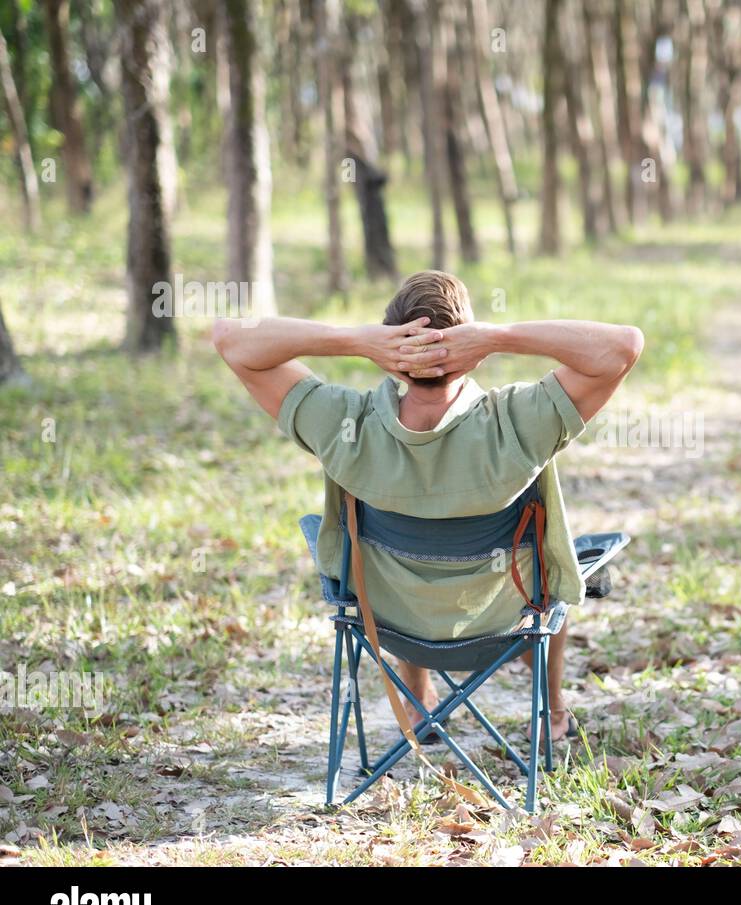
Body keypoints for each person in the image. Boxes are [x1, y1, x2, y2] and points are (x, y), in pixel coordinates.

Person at [212, 270, 644, 741]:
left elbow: (230, 339)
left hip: (391, 622)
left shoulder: (344, 424)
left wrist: (356, 341)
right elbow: (623, 345)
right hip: (505, 620)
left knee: (407, 572)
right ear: (470, 355)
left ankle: (418, 706)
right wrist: (497, 337)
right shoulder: (518, 421)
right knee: (552, 566)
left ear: (390, 356)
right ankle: (552, 711)